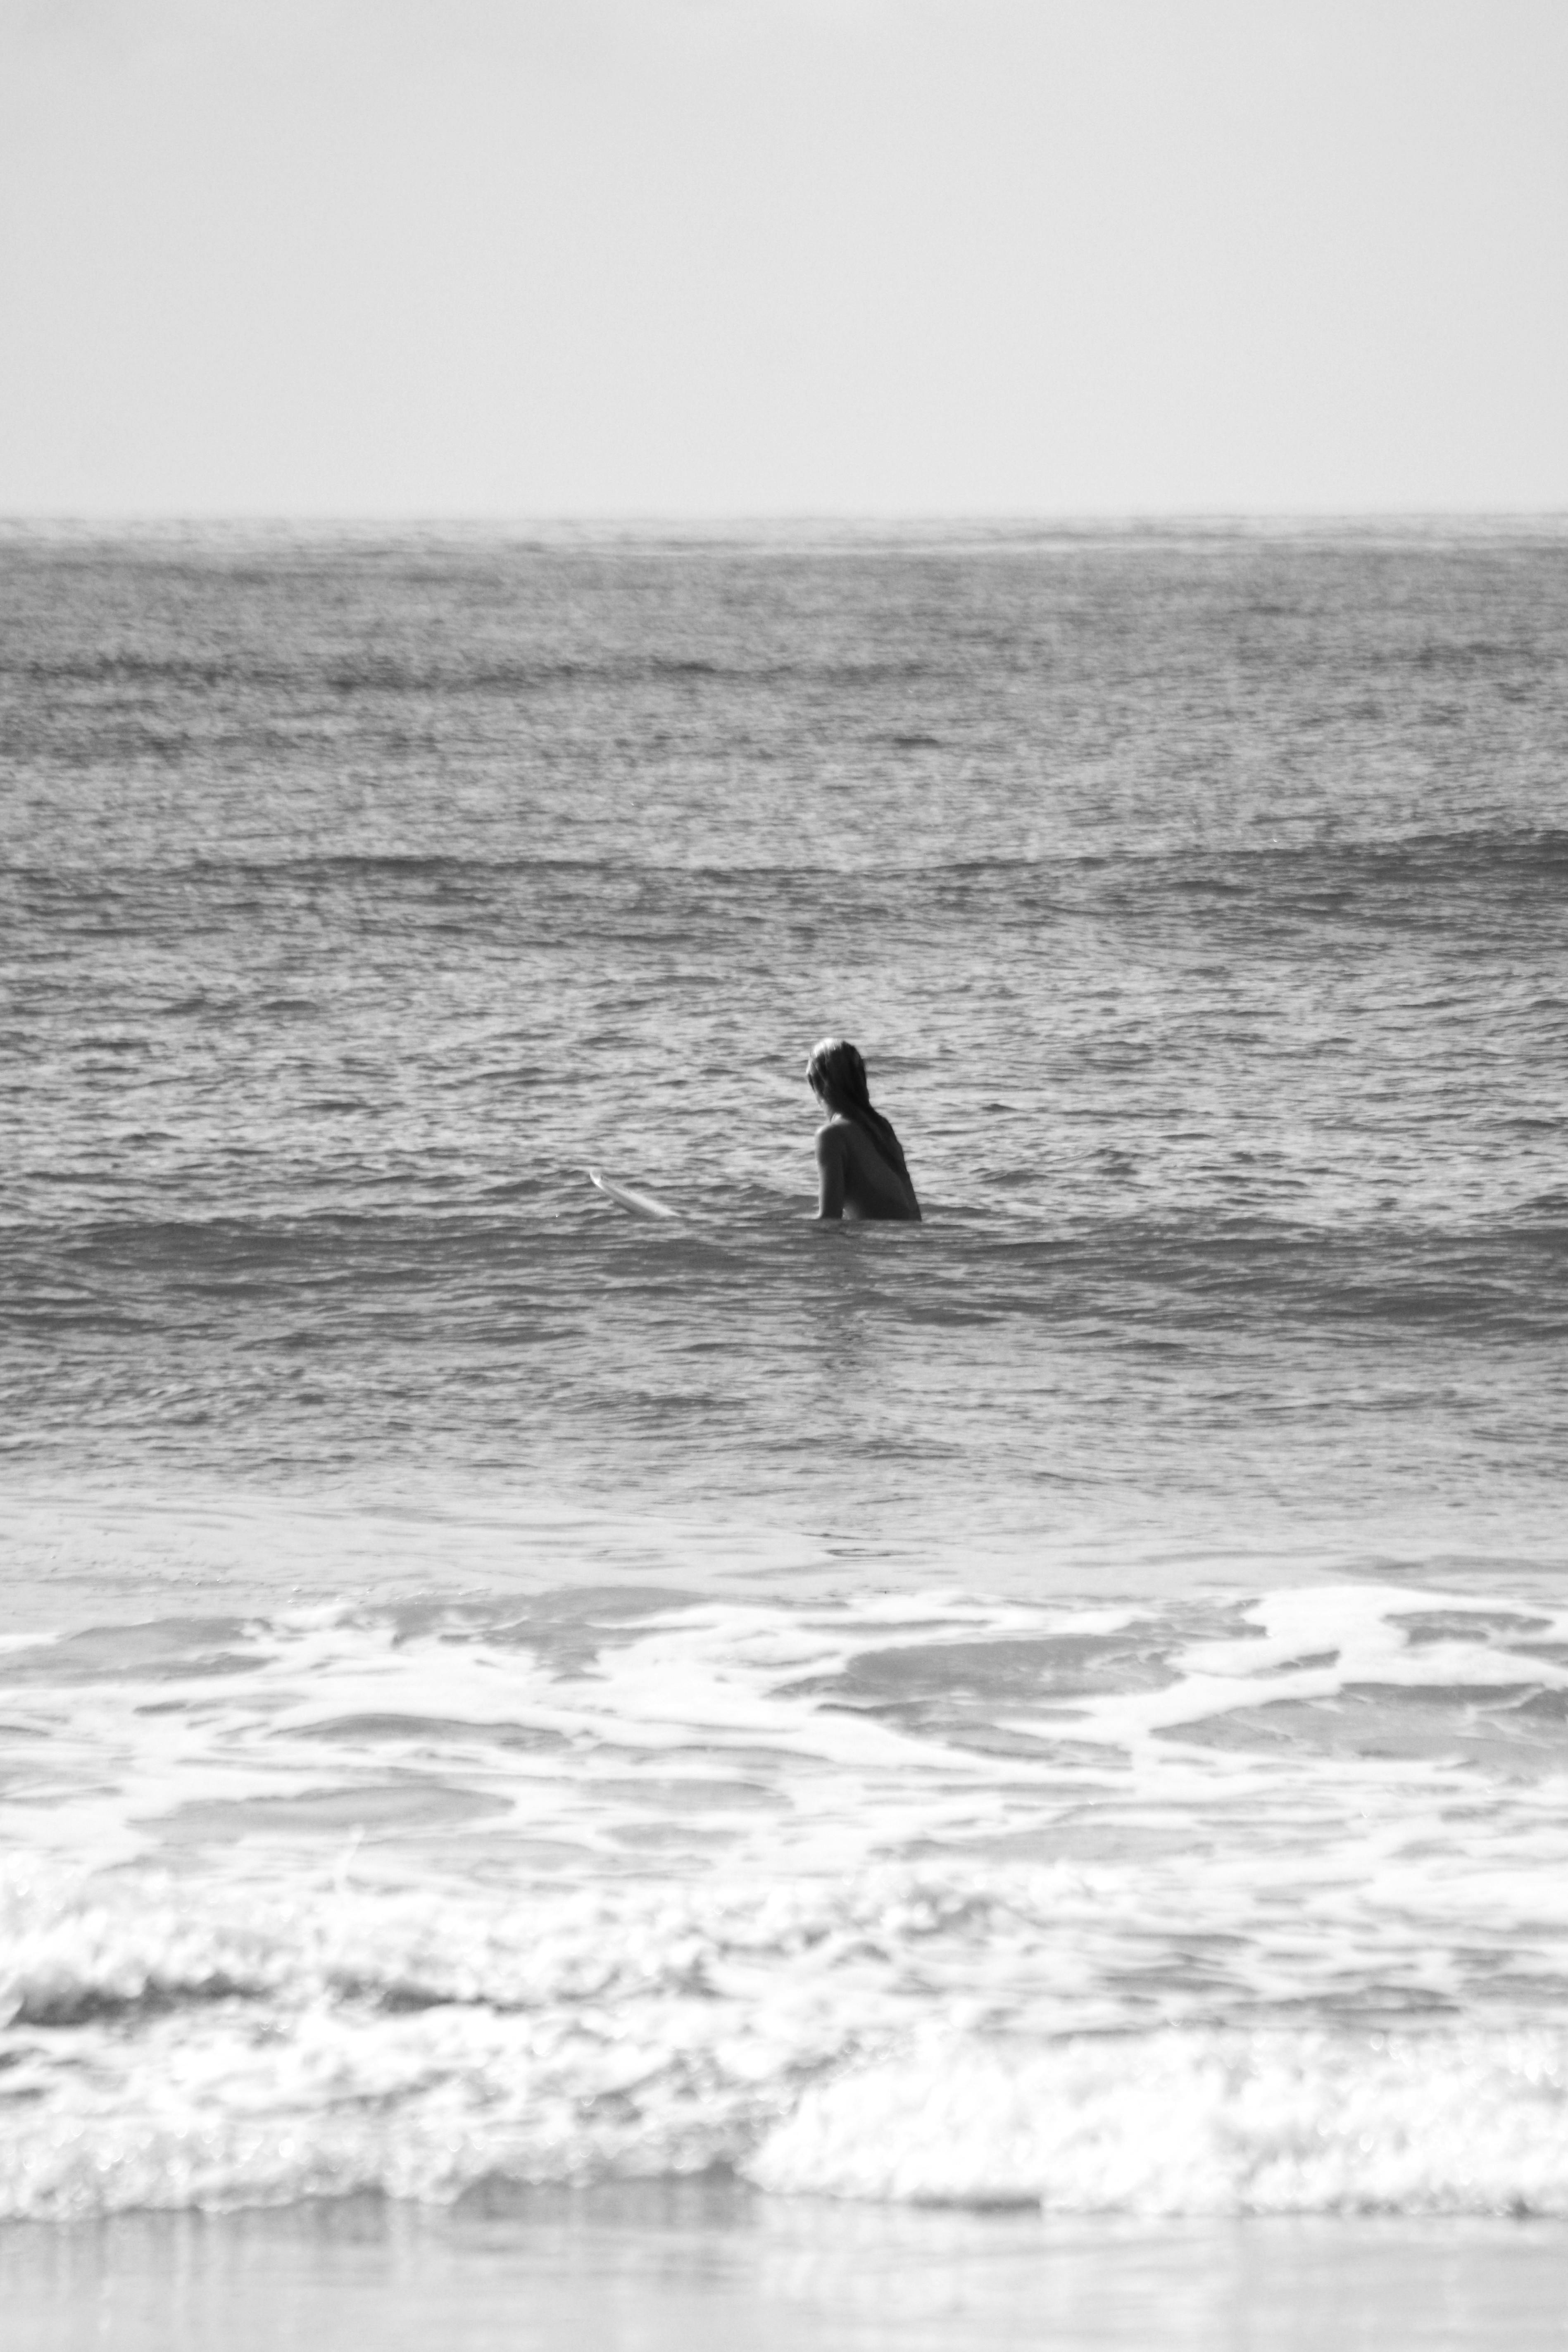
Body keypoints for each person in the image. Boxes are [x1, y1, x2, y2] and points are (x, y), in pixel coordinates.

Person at [806, 1038, 921, 1222]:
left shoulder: (831, 1136)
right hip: (911, 1244)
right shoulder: (882, 1128)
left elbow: (829, 1221)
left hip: (880, 1247)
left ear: (816, 1084)